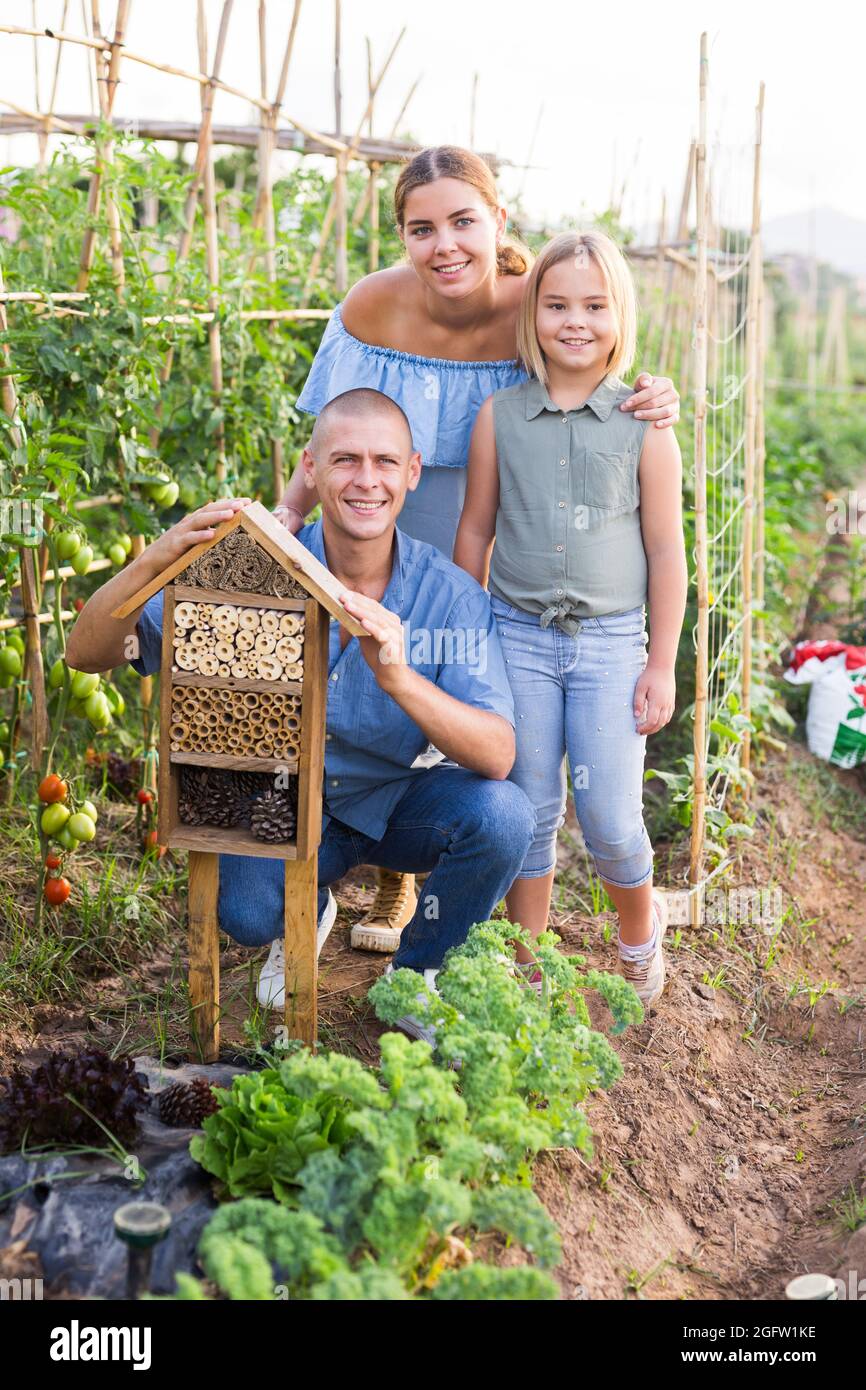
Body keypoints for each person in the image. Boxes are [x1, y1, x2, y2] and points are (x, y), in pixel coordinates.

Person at [274, 145, 682, 952]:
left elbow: (599, 360)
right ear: (401, 236)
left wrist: (657, 391)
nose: (445, 246)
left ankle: (409, 889)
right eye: (422, 229)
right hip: (377, 524)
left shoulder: (540, 303)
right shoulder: (370, 309)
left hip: (481, 549)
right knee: (369, 694)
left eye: (464, 221)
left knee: (454, 711)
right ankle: (321, 881)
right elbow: (337, 428)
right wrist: (290, 512)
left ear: (499, 222)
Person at [64, 389, 535, 1037]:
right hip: (278, 801)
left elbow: (497, 753)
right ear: (310, 469)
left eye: (384, 462)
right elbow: (86, 653)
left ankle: (416, 972)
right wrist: (159, 557)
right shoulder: (255, 571)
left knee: (503, 816)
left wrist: (397, 679)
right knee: (250, 917)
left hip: (391, 804)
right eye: (345, 461)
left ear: (413, 473)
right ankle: (305, 905)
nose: (366, 481)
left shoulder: (446, 595)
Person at [453, 230, 688, 1010]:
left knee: (613, 819)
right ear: (534, 315)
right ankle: (527, 962)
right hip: (515, 634)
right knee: (529, 808)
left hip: (612, 645)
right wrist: (463, 643)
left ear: (619, 315)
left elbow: (664, 549)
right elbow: (477, 531)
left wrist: (661, 663)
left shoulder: (645, 424)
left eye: (594, 305)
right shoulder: (500, 417)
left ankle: (637, 940)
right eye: (556, 305)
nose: (574, 321)